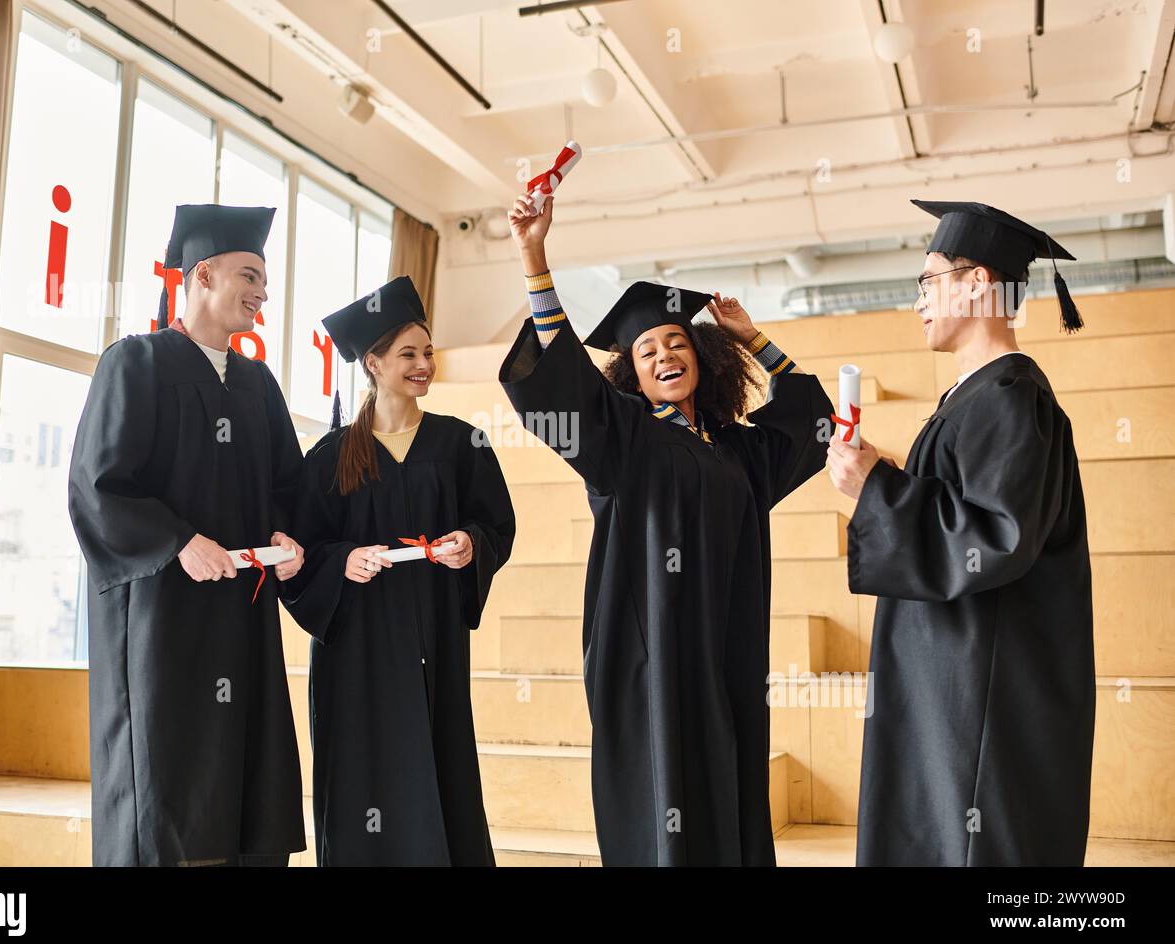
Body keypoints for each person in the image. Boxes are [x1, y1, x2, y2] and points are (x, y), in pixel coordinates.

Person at [499, 193, 833, 865]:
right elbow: (563, 385)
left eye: (677, 342)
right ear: (632, 374)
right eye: (646, 350)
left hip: (723, 654)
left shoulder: (738, 450)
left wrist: (754, 339)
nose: (663, 356)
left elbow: (809, 418)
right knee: (665, 804)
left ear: (702, 357)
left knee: (726, 793)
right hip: (648, 659)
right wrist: (534, 256)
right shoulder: (622, 441)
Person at [829, 199, 1095, 866]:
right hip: (946, 681)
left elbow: (996, 537)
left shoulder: (1008, 397)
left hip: (980, 696)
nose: (917, 300)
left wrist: (876, 491)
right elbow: (963, 510)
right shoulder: (974, 399)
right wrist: (887, 476)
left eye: (928, 281)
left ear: (978, 282)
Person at [68, 204, 307, 866]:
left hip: (242, 612)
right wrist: (177, 541)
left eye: (264, 281)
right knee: (164, 786)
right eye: (250, 276)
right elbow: (98, 485)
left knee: (246, 785)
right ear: (202, 273)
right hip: (162, 622)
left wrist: (289, 538)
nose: (263, 294)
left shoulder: (258, 386)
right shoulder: (136, 364)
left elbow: (290, 488)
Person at [281, 275, 515, 865]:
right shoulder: (332, 456)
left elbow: (497, 527)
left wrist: (471, 544)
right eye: (408, 353)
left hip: (433, 634)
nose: (423, 364)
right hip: (356, 644)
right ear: (374, 362)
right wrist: (343, 560)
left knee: (440, 762)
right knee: (363, 763)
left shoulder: (465, 444)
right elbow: (299, 552)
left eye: (428, 352)